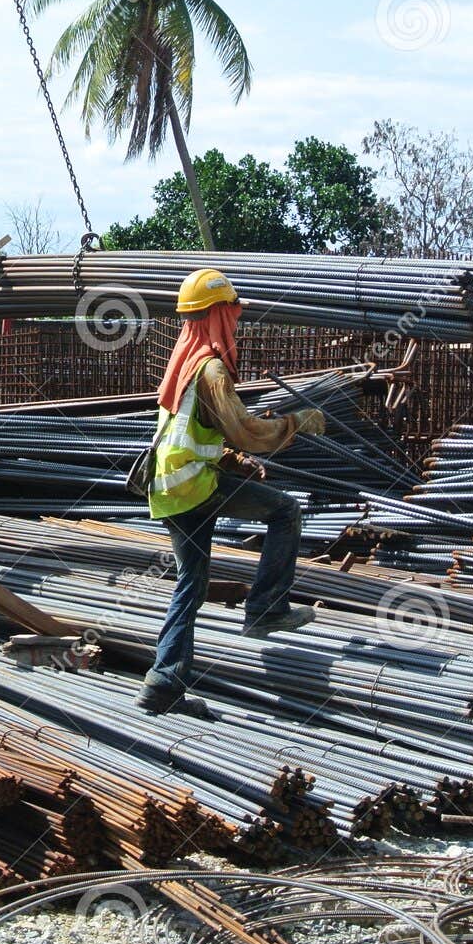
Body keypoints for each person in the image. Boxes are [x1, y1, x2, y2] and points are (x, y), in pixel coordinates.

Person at [138, 268, 326, 719]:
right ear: (220, 313)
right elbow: (245, 430)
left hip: (169, 484)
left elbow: (193, 432)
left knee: (191, 583)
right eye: (233, 312)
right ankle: (266, 610)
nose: (236, 321)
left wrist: (228, 460)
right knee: (285, 510)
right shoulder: (213, 367)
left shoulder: (185, 359)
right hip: (192, 486)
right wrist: (297, 423)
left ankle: (163, 683)